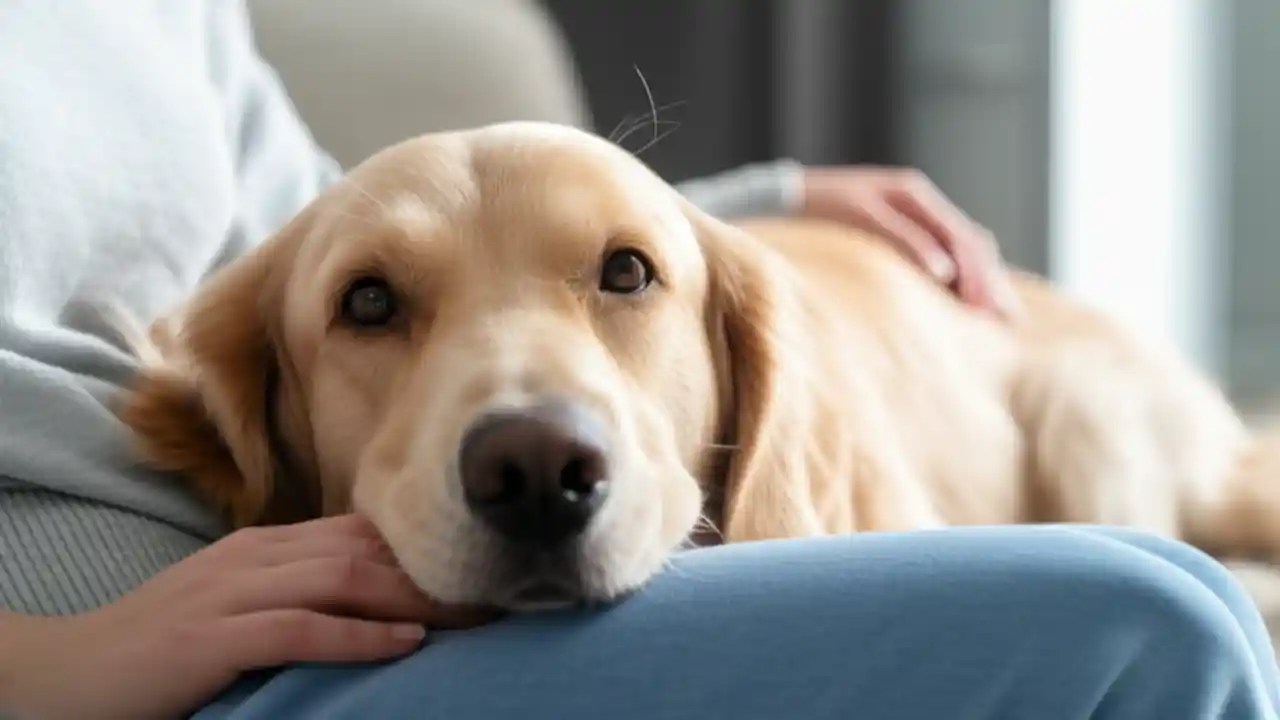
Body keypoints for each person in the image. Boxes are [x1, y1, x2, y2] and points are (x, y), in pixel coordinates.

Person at [0, 3, 1274, 719]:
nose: (532, 438)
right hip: (207, 673)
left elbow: (354, 230)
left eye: (621, 282)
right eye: (377, 312)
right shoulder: (222, 411)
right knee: (1154, 623)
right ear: (261, 438)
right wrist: (53, 667)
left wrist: (719, 219)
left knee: (1204, 573)